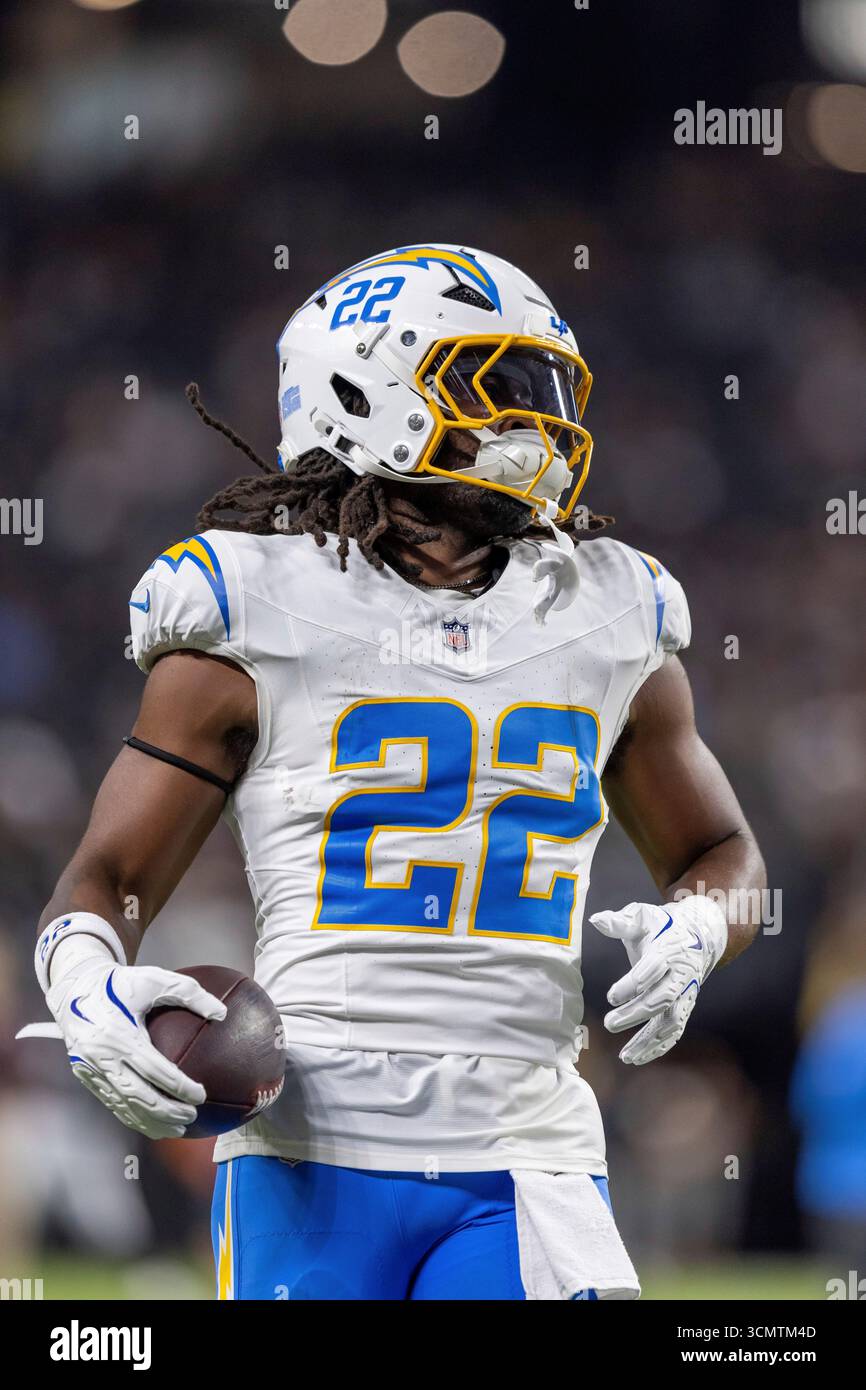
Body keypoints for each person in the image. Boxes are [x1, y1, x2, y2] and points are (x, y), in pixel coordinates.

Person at [22, 245, 765, 1299]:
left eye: (543, 390)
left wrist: (698, 927)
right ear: (361, 390)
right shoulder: (253, 601)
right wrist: (86, 988)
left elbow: (718, 853)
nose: (534, 422)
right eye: (495, 387)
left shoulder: (610, 608)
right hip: (307, 1150)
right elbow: (105, 876)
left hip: (525, 1149)